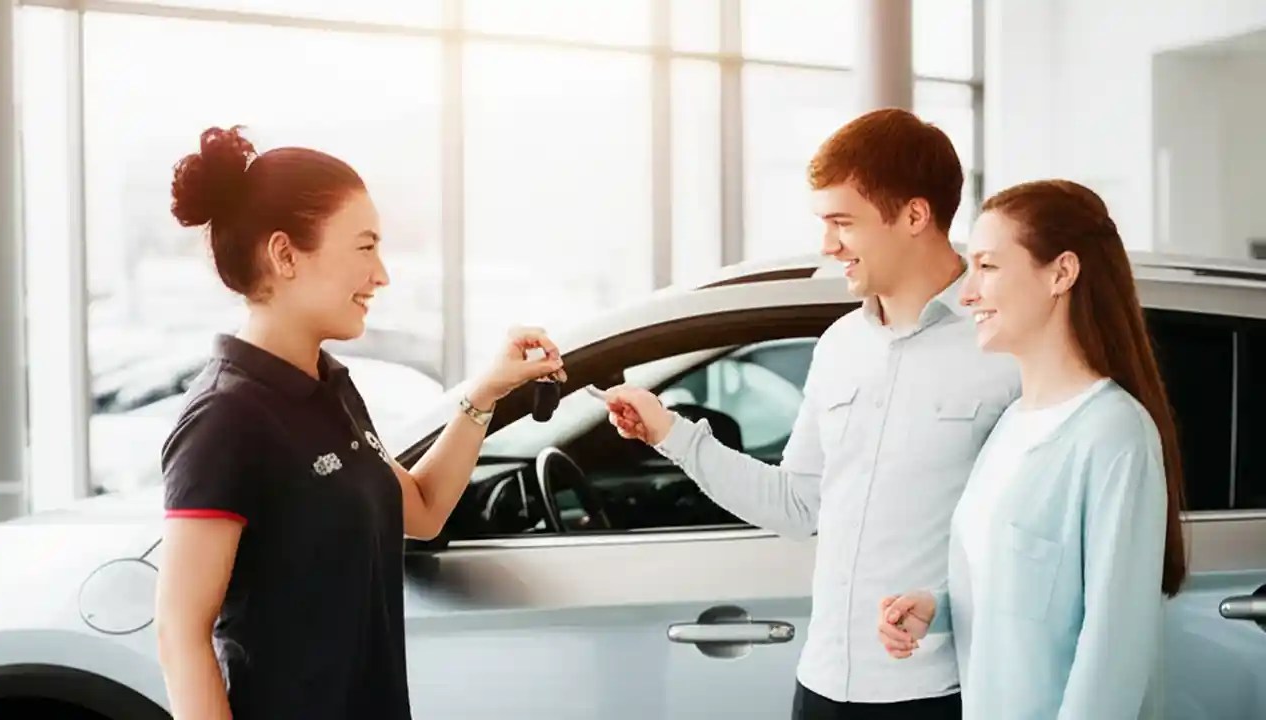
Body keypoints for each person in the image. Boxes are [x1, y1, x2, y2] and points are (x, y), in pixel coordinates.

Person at [603, 108, 1021, 719]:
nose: (827, 246)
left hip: (941, 693)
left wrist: (942, 606)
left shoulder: (1003, 347)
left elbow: (1027, 546)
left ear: (913, 215)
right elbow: (799, 507)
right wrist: (670, 432)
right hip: (823, 685)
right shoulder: (839, 346)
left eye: (842, 222)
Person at [153, 126, 565, 720]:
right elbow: (179, 635)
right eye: (365, 247)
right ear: (286, 255)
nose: (382, 276)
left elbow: (421, 510)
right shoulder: (225, 417)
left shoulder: (330, 386)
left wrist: (485, 394)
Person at [876, 180, 1187, 719]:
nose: (967, 293)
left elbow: (1113, 656)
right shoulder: (1012, 426)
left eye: (988, 267)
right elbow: (1028, 595)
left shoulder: (1114, 436)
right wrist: (938, 608)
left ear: (1062, 273)